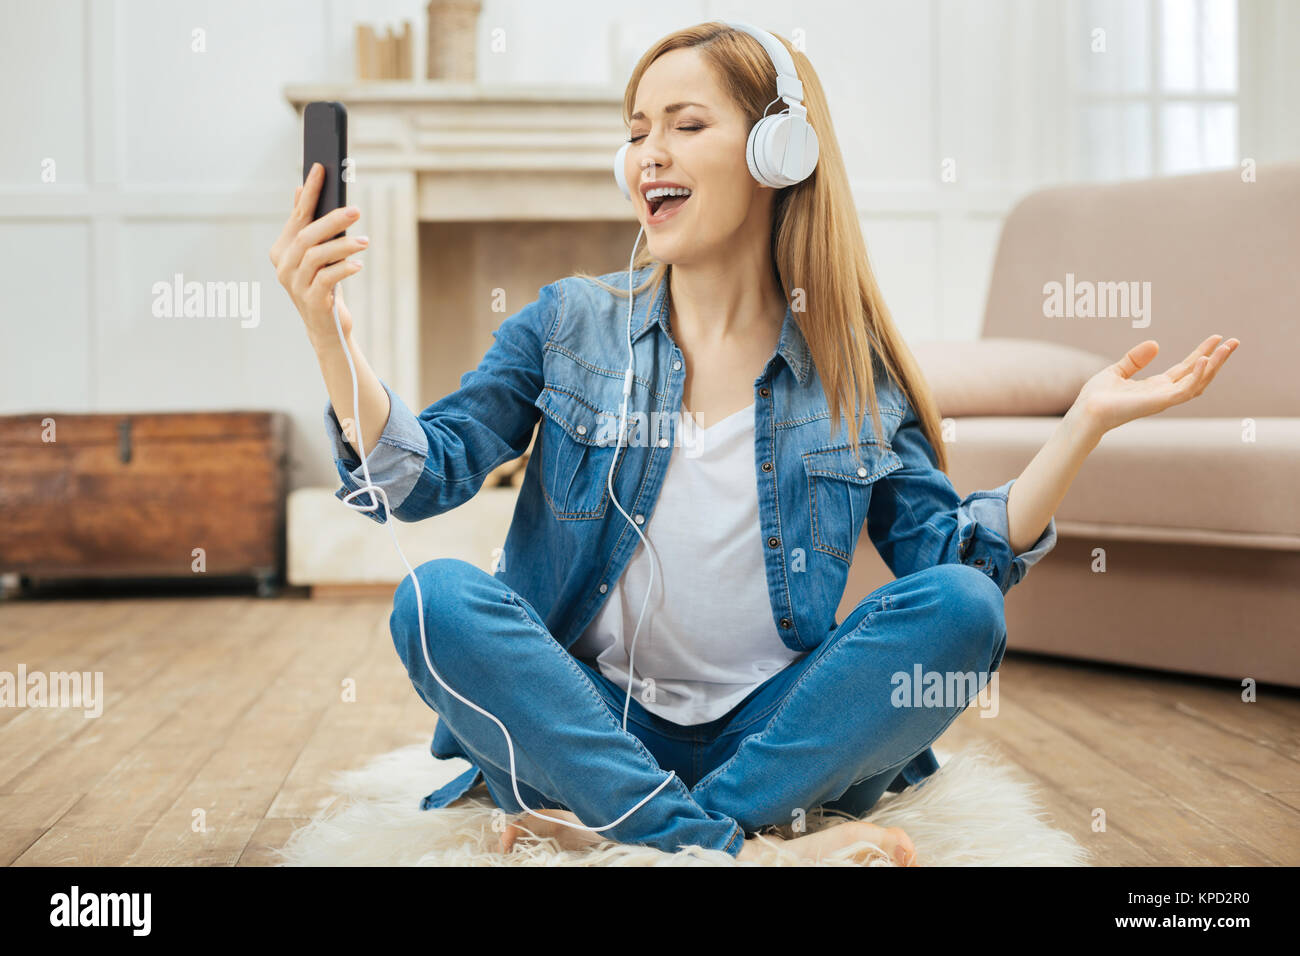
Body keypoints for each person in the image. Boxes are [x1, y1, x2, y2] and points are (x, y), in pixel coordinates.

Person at [269, 21, 1239, 865]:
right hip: (593, 722)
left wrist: (1082, 426)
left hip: (773, 736)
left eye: (687, 125)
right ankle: (731, 845)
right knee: (436, 599)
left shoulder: (851, 368)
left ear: (779, 152)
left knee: (961, 606)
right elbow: (419, 476)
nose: (649, 153)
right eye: (637, 130)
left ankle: (644, 831)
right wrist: (331, 337)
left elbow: (948, 563)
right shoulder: (567, 323)